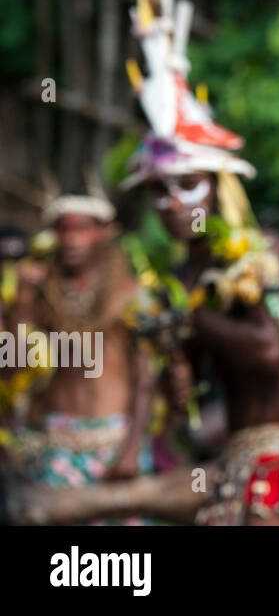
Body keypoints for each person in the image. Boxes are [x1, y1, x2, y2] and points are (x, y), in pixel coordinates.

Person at [121, 0, 279, 526]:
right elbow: (192, 386)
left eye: (188, 184)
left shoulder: (257, 255)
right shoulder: (179, 274)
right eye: (160, 190)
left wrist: (192, 316)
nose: (173, 203)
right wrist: (178, 373)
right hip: (232, 460)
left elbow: (268, 350)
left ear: (219, 185)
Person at [3, 191, 154, 508]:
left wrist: (131, 449)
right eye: (64, 229)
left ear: (104, 232)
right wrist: (21, 308)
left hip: (113, 441)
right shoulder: (42, 294)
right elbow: (9, 368)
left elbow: (145, 378)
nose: (72, 239)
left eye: (82, 228)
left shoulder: (130, 295)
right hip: (53, 441)